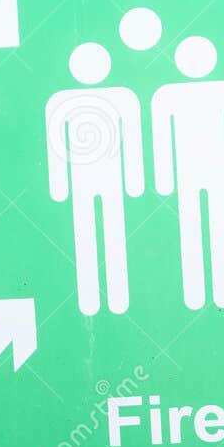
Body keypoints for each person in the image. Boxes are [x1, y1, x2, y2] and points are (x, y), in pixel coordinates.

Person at [151, 35, 224, 310]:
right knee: (190, 227)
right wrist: (164, 179)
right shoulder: (167, 96)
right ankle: (196, 293)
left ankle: (223, 292)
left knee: (219, 226)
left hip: (216, 173)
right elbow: (162, 138)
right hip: (187, 175)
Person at [45, 42, 144, 315]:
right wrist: (59, 187)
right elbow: (55, 148)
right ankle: (91, 300)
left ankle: (118, 298)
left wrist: (134, 180)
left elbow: (133, 141)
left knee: (113, 232)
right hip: (82, 182)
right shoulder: (61, 102)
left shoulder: (122, 97)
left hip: (111, 180)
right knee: (85, 235)